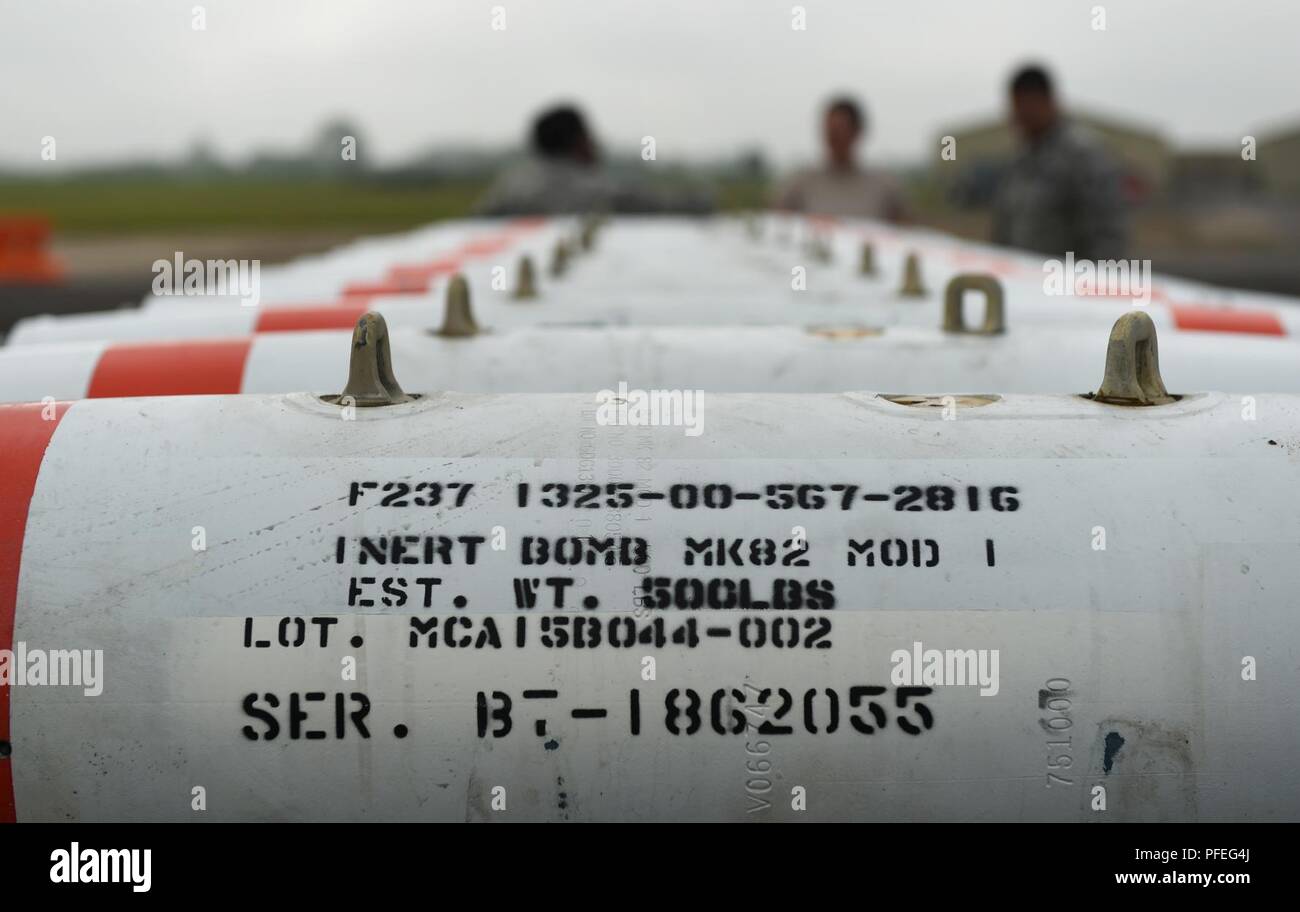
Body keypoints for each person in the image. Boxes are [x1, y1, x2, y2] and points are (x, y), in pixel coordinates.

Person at [992, 65, 1127, 261]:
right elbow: (1004, 226)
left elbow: (1107, 236)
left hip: (1067, 285)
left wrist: (1090, 284)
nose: (1017, 116)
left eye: (1024, 107)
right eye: (1015, 107)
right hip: (1026, 282)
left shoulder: (1084, 156)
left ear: (1047, 101)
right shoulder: (1021, 160)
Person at [475, 104, 710, 216]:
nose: (596, 144)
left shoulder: (509, 185)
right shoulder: (590, 188)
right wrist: (700, 200)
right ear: (577, 142)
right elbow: (650, 204)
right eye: (589, 136)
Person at [773, 96, 907, 221]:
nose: (833, 139)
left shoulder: (883, 186)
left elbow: (910, 228)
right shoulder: (801, 183)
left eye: (840, 131)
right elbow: (776, 221)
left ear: (857, 132)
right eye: (829, 131)